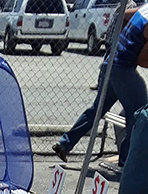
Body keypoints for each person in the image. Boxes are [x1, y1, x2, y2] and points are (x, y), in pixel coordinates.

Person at [52, 1, 138, 163]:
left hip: (109, 62)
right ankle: (127, 159)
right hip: (121, 63)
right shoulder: (131, 8)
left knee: (96, 110)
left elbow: (110, 36)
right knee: (136, 111)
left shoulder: (121, 7)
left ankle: (65, 143)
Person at [109, 2, 148, 166]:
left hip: (115, 64)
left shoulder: (145, 9)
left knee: (133, 110)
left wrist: (122, 44)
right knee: (140, 112)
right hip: (123, 68)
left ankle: (126, 157)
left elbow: (124, 15)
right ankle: (129, 160)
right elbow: (143, 60)